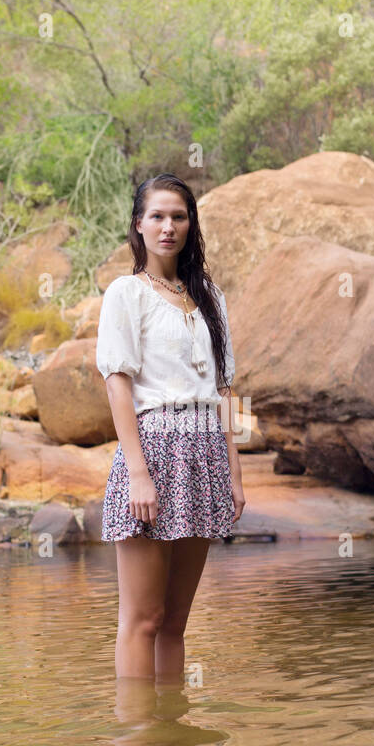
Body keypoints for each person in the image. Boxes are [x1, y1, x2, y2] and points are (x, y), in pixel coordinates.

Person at [96, 173, 246, 683]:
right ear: (138, 226)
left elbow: (224, 390)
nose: (168, 227)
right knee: (143, 619)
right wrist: (138, 473)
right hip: (153, 450)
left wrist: (235, 474)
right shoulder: (126, 293)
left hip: (204, 454)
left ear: (190, 224)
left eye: (178, 217)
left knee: (175, 624)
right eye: (157, 216)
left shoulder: (210, 298)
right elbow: (118, 383)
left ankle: (172, 744)